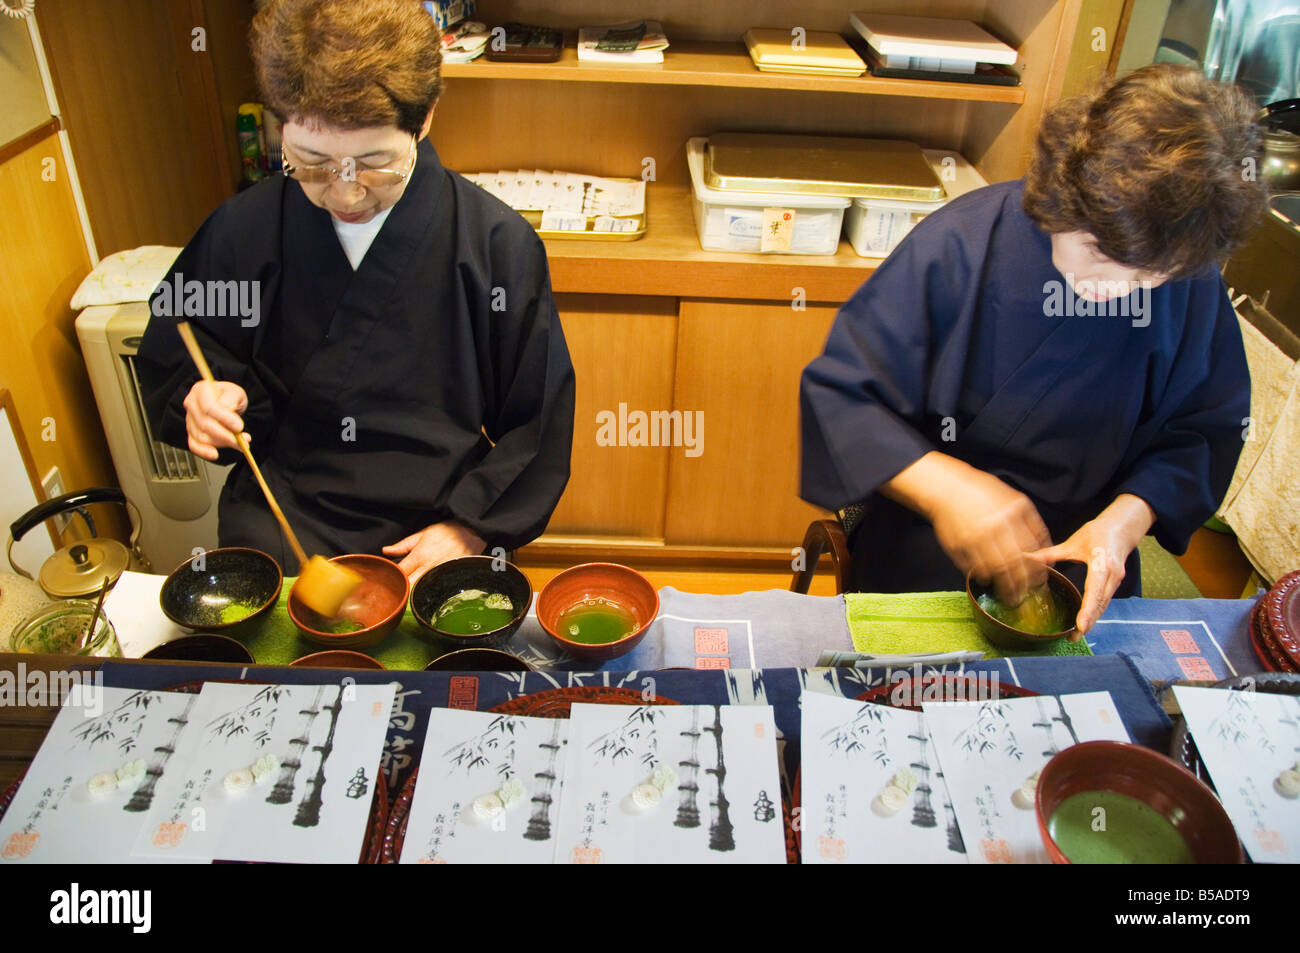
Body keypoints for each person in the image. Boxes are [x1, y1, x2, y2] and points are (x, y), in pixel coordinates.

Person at [800, 65, 1266, 636]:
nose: (1117, 287)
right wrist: (950, 489)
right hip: (933, 538)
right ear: (1059, 195)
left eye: (1150, 275)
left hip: (1089, 550)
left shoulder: (1190, 274)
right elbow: (840, 396)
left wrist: (1122, 524)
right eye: (1096, 250)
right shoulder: (961, 246)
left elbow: (1204, 431)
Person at [137, 0, 575, 582]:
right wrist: (204, 398)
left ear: (425, 120)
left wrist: (472, 528)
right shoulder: (245, 230)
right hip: (285, 510)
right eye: (312, 163)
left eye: (375, 164)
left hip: (440, 517)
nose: (345, 193)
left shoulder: (494, 245)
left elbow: (537, 420)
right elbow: (180, 348)